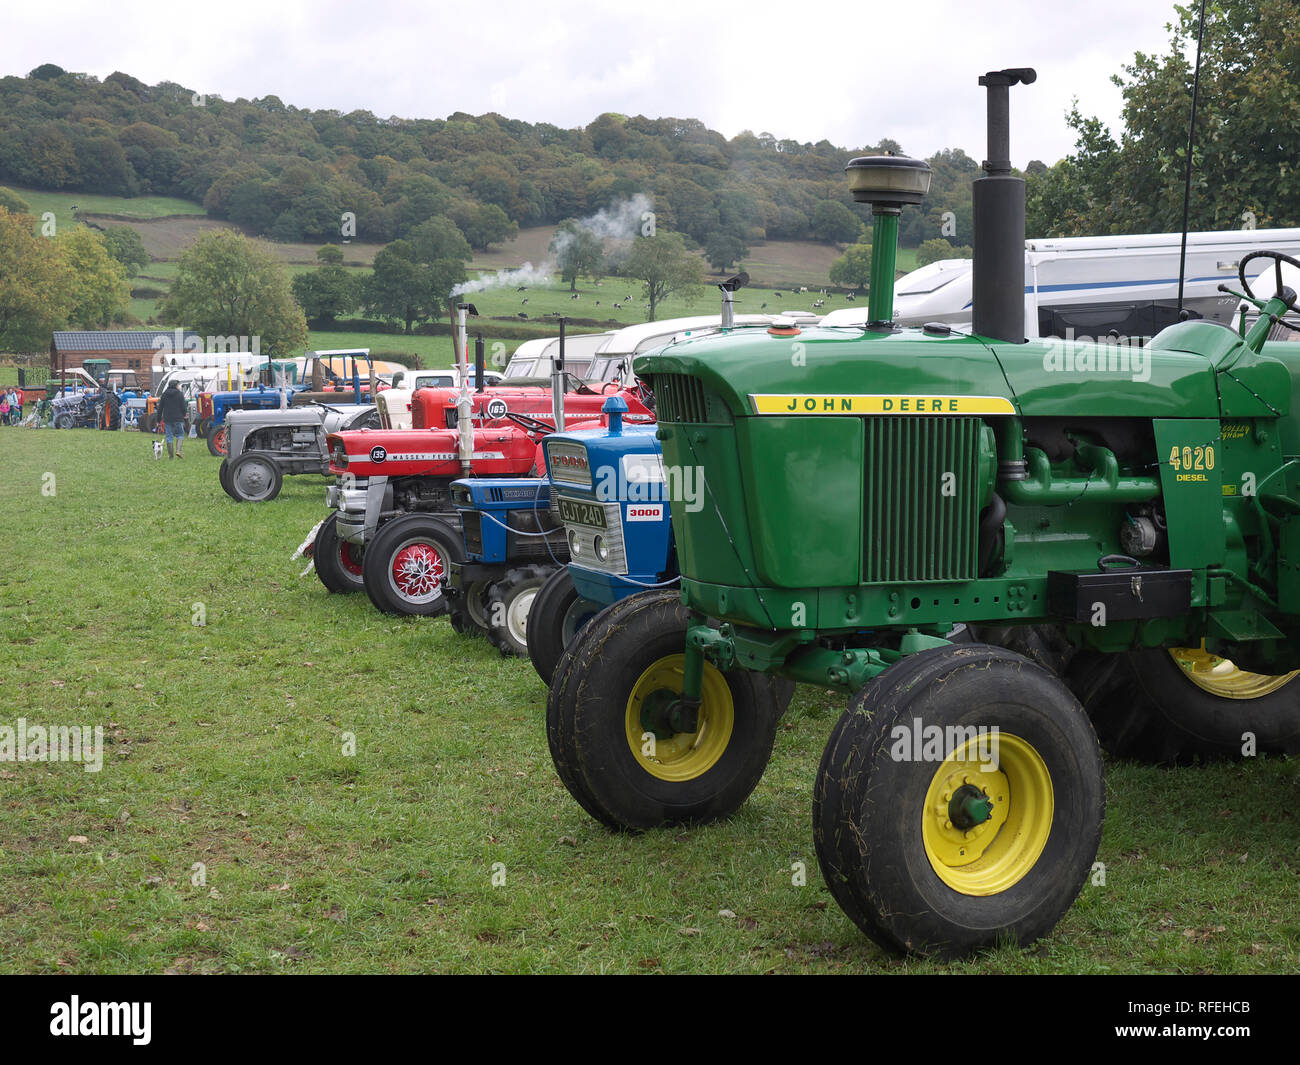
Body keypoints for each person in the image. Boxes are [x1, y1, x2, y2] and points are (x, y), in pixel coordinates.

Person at [158, 381, 187, 458]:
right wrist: (184, 415)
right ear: (176, 386)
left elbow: (160, 408)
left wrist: (158, 420)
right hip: (178, 418)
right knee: (180, 434)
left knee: (169, 437)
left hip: (167, 418)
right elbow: (183, 407)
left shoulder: (164, 394)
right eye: (178, 385)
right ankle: (178, 451)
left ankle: (171, 456)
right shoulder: (180, 394)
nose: (179, 386)